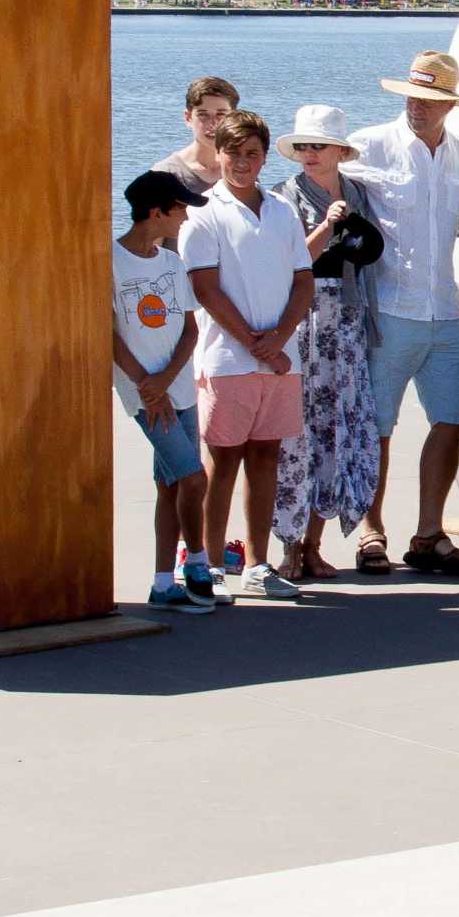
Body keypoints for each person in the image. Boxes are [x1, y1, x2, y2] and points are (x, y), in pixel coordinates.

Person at [352, 50, 459, 576]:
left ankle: (429, 534)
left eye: (429, 99)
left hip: (446, 312)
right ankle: (371, 531)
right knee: (376, 428)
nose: (417, 106)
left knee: (455, 419)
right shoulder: (367, 145)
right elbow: (318, 196)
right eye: (412, 95)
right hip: (388, 312)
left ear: (449, 105)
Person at [181, 110, 314, 600]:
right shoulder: (202, 213)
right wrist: (255, 343)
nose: (242, 162)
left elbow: (303, 280)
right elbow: (206, 289)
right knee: (222, 461)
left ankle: (258, 565)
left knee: (267, 459)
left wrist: (279, 339)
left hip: (282, 361)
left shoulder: (282, 210)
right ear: (218, 155)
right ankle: (208, 564)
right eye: (233, 153)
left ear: (263, 157)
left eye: (252, 154)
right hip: (227, 362)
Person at [271, 106, 385, 582]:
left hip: (348, 320)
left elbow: (371, 253)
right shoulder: (284, 196)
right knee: (297, 438)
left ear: (340, 151)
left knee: (339, 431)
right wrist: (329, 224)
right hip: (307, 320)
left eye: (319, 146)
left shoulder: (359, 192)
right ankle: (289, 548)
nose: (310, 155)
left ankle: (315, 544)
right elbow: (290, 260)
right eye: (303, 147)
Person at [112, 168, 214, 610]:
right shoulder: (109, 261)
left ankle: (162, 584)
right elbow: (109, 334)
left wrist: (167, 381)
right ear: (156, 212)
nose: (185, 219)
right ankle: (197, 563)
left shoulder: (172, 263)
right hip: (145, 395)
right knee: (194, 478)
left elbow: (189, 330)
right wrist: (146, 387)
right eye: (180, 210)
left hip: (179, 390)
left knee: (171, 485)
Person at [150, 74, 240, 197]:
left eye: (220, 114)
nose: (212, 123)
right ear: (188, 118)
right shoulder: (165, 174)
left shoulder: (241, 168)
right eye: (203, 114)